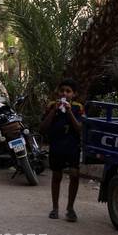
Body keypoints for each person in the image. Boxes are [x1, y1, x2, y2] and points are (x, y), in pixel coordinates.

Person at [40, 78, 85, 222]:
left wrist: (70, 112)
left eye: (68, 91)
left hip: (72, 146)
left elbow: (79, 129)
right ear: (58, 93)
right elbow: (43, 128)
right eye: (62, 91)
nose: (64, 94)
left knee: (74, 174)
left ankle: (70, 208)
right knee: (56, 176)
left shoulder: (78, 107)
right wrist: (54, 110)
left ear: (74, 94)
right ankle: (55, 208)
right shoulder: (51, 106)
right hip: (57, 145)